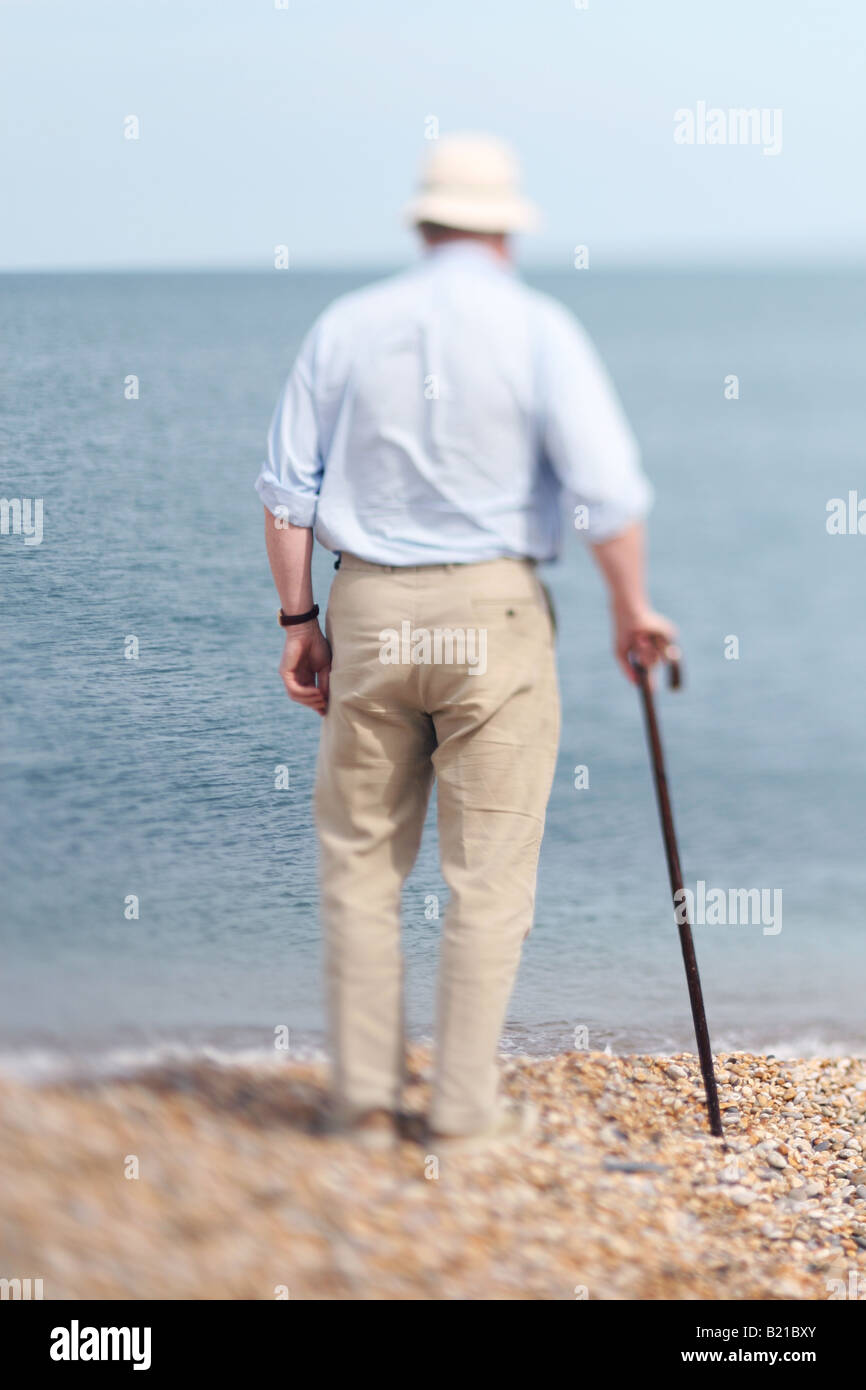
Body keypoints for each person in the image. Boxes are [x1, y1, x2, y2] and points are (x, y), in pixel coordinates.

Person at [257, 132, 675, 1150]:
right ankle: (458, 1115)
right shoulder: (540, 330)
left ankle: (358, 1107)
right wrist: (632, 610)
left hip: (369, 611)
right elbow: (606, 497)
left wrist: (299, 621)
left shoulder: (347, 324)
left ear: (423, 221)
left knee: (359, 863)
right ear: (506, 230)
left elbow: (285, 493)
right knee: (485, 878)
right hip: (493, 615)